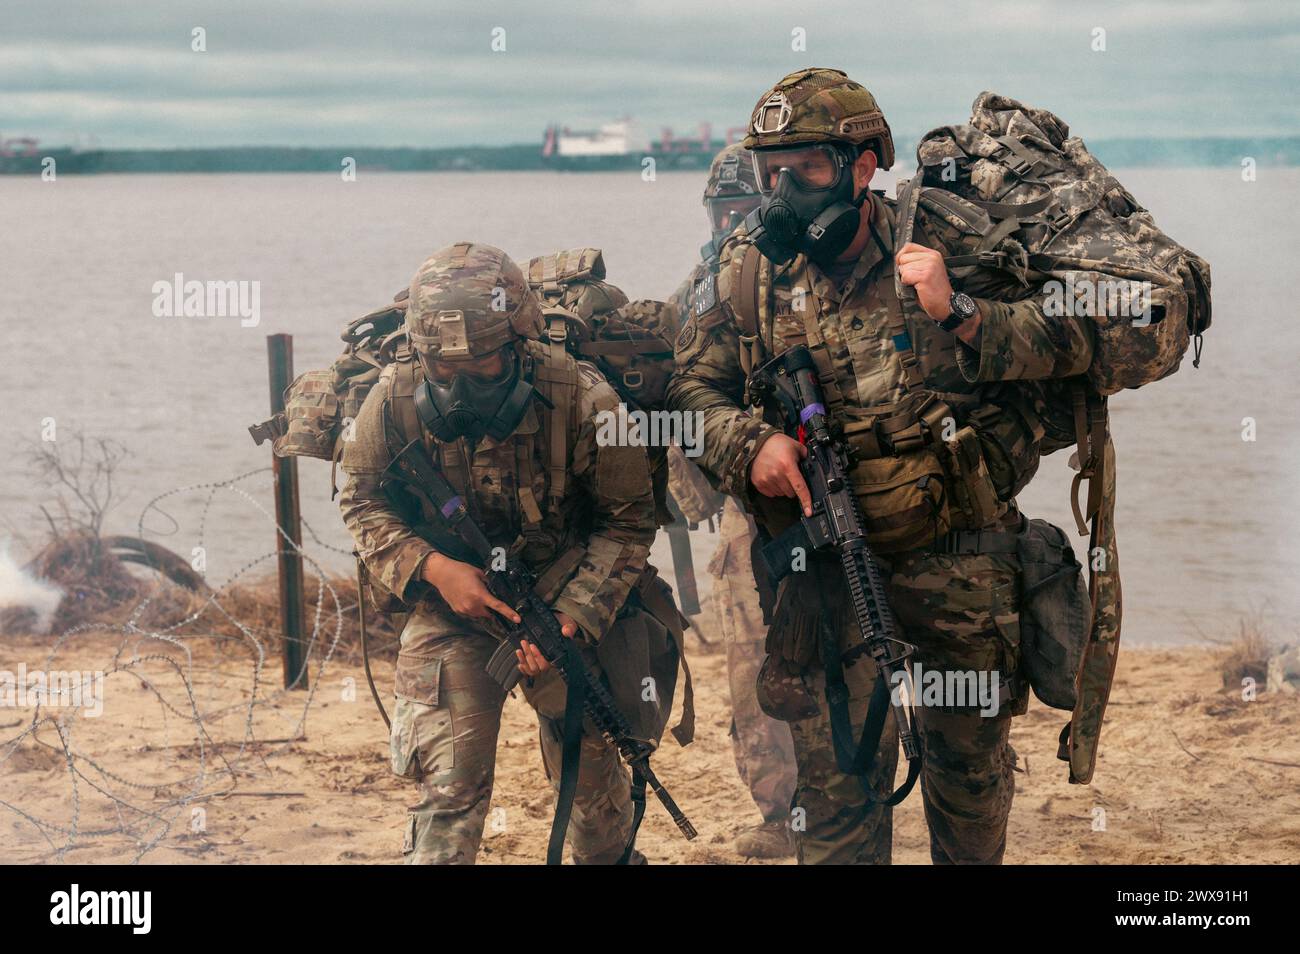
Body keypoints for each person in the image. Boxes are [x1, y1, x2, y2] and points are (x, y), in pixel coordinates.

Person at [666, 68, 1090, 864]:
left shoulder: (947, 246)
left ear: (865, 165)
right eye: (771, 170)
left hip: (959, 570)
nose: (786, 189)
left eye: (809, 168)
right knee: (835, 802)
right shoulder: (746, 272)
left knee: (969, 792)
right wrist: (746, 444)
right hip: (825, 584)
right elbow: (690, 390)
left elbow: (1082, 353)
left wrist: (964, 313)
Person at [339, 241, 682, 864]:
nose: (461, 385)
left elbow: (628, 520)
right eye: (444, 370)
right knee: (449, 794)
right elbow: (361, 500)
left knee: (595, 805)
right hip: (455, 611)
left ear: (520, 342)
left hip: (563, 608)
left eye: (484, 366)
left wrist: (573, 614)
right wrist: (434, 569)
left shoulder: (585, 398)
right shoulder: (392, 398)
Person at [666, 143, 797, 859]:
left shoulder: (819, 268)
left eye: (749, 208)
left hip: (838, 487)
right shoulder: (703, 284)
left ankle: (862, 788)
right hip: (749, 503)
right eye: (726, 210)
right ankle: (781, 813)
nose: (737, 223)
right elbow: (679, 387)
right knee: (752, 665)